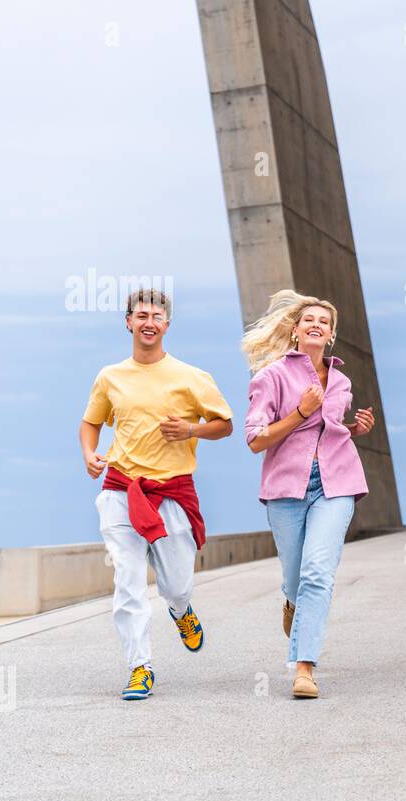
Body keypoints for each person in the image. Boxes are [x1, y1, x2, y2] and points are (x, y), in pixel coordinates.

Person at [80, 288, 233, 700]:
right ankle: (139, 667)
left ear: (167, 325)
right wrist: (89, 454)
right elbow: (91, 423)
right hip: (122, 490)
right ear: (128, 321)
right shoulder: (110, 376)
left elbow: (224, 424)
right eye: (141, 315)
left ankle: (181, 611)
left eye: (157, 316)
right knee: (127, 581)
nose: (149, 322)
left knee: (177, 585)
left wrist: (191, 430)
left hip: (172, 494)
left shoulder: (191, 377)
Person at [243, 290, 374, 699]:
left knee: (317, 574)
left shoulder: (342, 382)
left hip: (337, 485)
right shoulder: (272, 377)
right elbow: (255, 440)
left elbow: (327, 432)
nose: (317, 324)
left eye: (324, 321)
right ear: (296, 331)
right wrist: (299, 412)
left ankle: (304, 668)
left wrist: (354, 430)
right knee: (295, 577)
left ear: (331, 335)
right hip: (286, 488)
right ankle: (290, 601)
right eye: (309, 320)